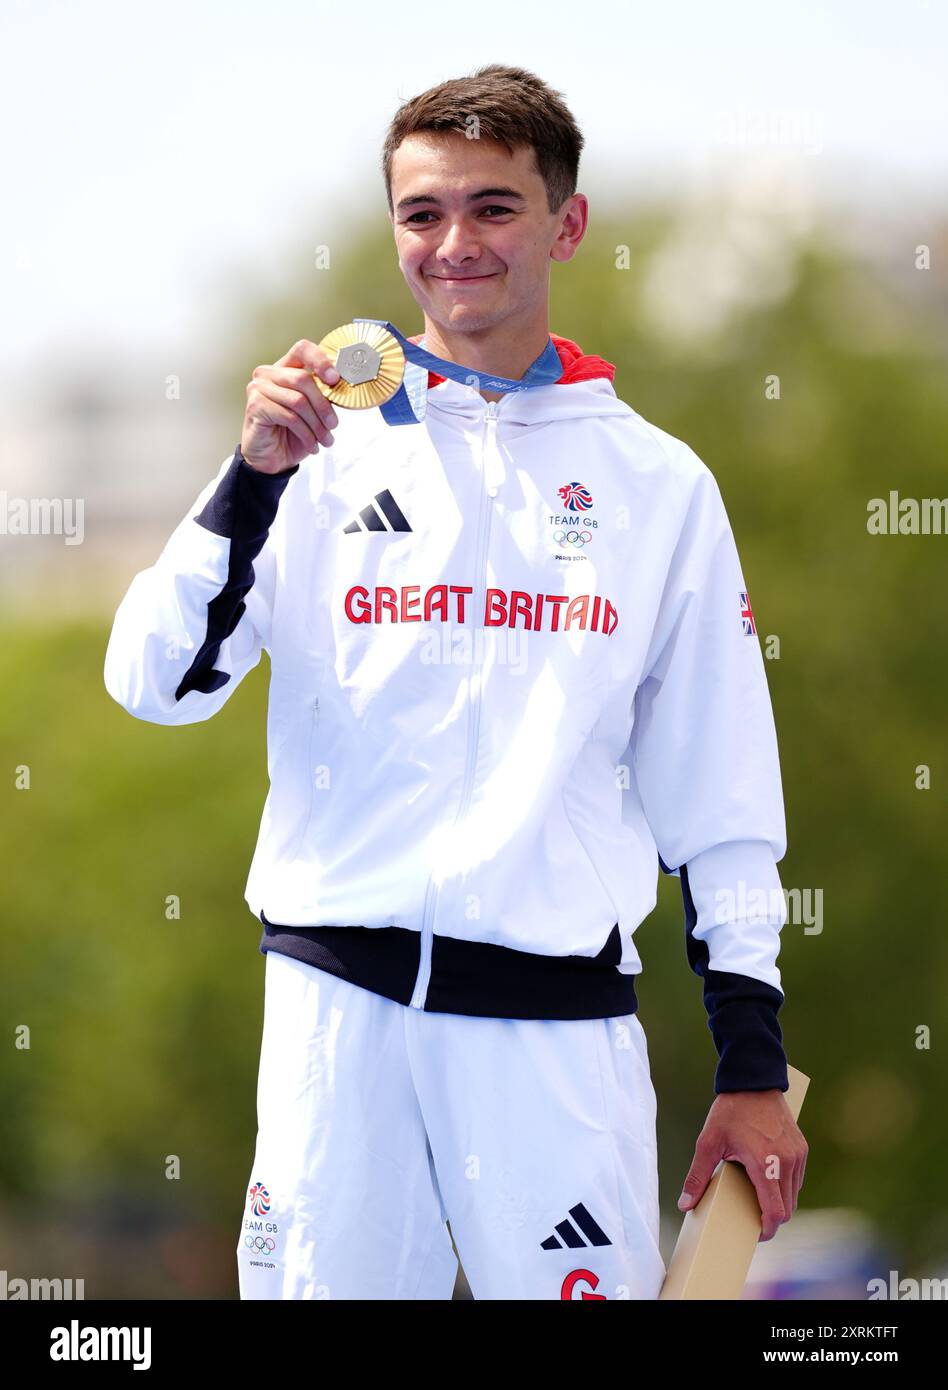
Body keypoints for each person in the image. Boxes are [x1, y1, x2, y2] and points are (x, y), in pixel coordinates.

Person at [103, 62, 807, 1301]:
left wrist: (752, 1068)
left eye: (493, 206)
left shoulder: (659, 484)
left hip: (555, 1038)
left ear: (566, 223)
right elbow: (155, 682)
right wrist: (250, 476)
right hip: (338, 1017)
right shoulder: (311, 448)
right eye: (423, 212)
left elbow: (726, 802)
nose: (454, 243)